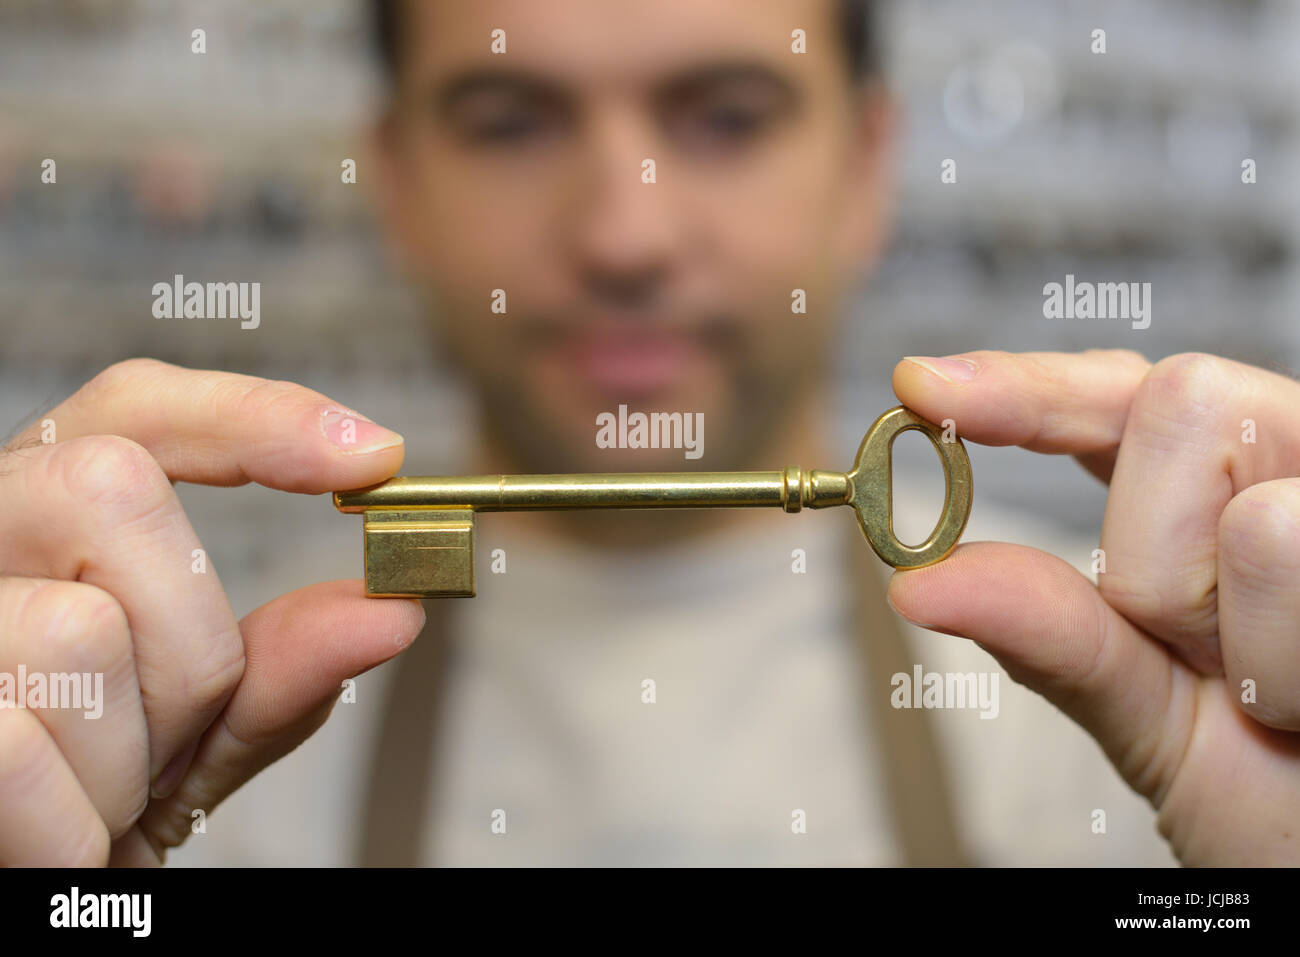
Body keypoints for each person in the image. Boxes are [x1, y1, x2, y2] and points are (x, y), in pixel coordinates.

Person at [1, 0, 1296, 866]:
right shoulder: (148, 746)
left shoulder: (1161, 734)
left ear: (869, 165)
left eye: (726, 116)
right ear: (394, 184)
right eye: (512, 122)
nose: (624, 234)